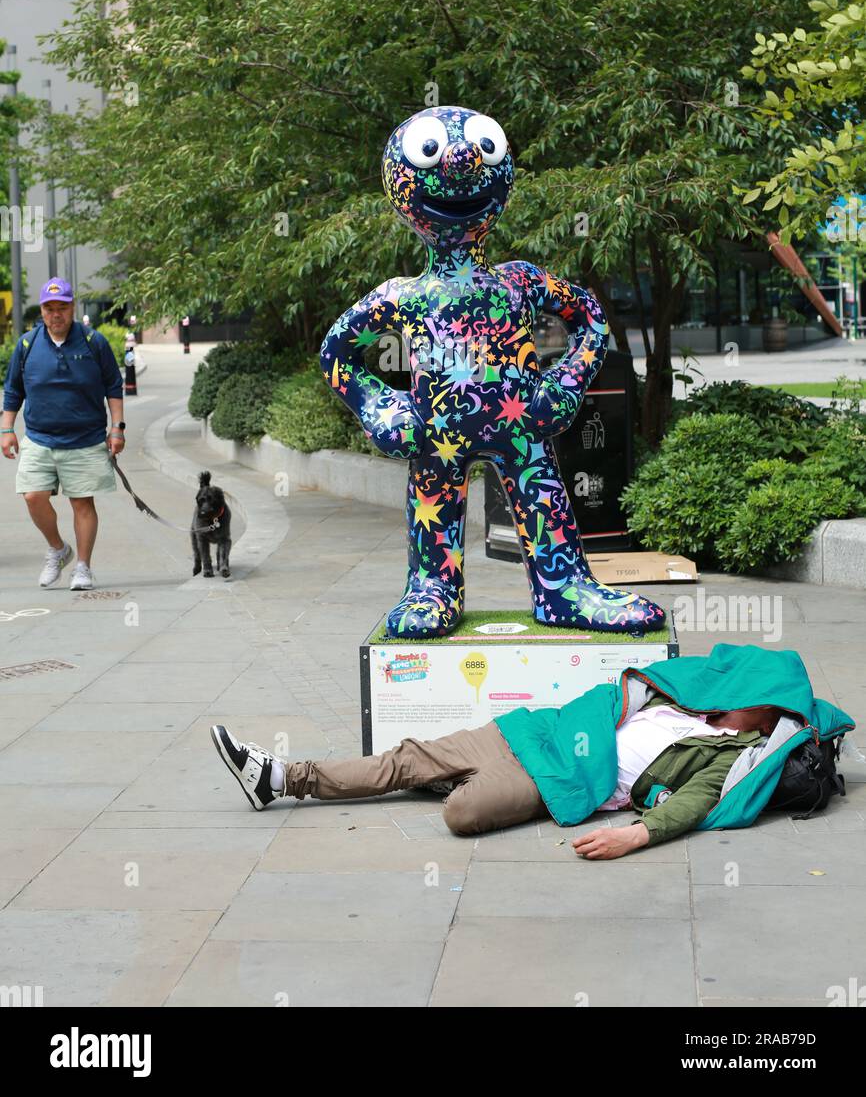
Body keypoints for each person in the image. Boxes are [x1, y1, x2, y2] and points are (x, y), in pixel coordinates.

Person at [211, 643, 853, 858]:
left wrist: (638, 835)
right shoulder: (686, 696)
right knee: (404, 758)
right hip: (533, 732)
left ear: (767, 712)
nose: (726, 693)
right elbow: (613, 700)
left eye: (743, 693)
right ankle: (280, 777)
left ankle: (451, 778)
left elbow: (692, 804)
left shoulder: (728, 756)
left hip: (562, 780)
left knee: (459, 814)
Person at [1, 278, 126, 590]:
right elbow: (13, 389)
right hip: (40, 437)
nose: (56, 314)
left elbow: (113, 386)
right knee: (32, 496)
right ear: (42, 311)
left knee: (82, 503)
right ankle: (58, 549)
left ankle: (82, 567)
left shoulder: (94, 342)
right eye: (50, 308)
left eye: (62, 307)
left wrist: (117, 429)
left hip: (84, 440)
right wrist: (7, 429)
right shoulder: (27, 344)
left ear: (73, 308)